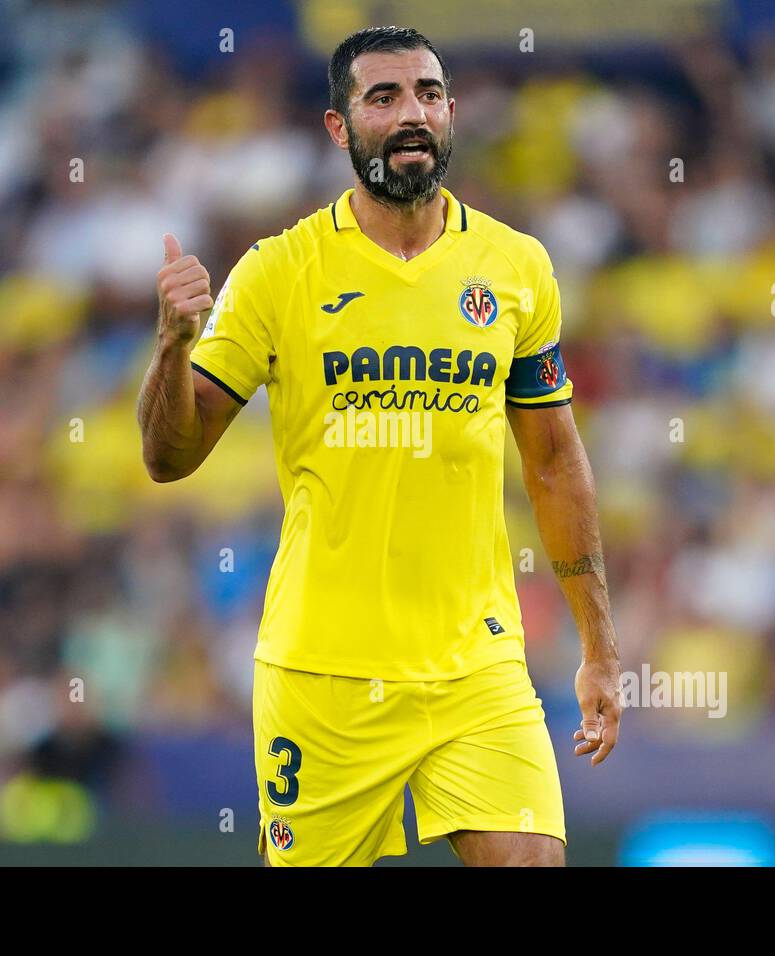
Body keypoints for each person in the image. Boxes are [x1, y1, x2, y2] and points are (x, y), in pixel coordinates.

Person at [137, 25, 621, 866]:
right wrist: (174, 348)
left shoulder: (515, 268)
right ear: (338, 127)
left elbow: (552, 462)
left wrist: (599, 650)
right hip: (322, 676)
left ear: (451, 113)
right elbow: (168, 457)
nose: (411, 115)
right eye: (383, 97)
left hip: (478, 663)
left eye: (428, 94)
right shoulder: (279, 272)